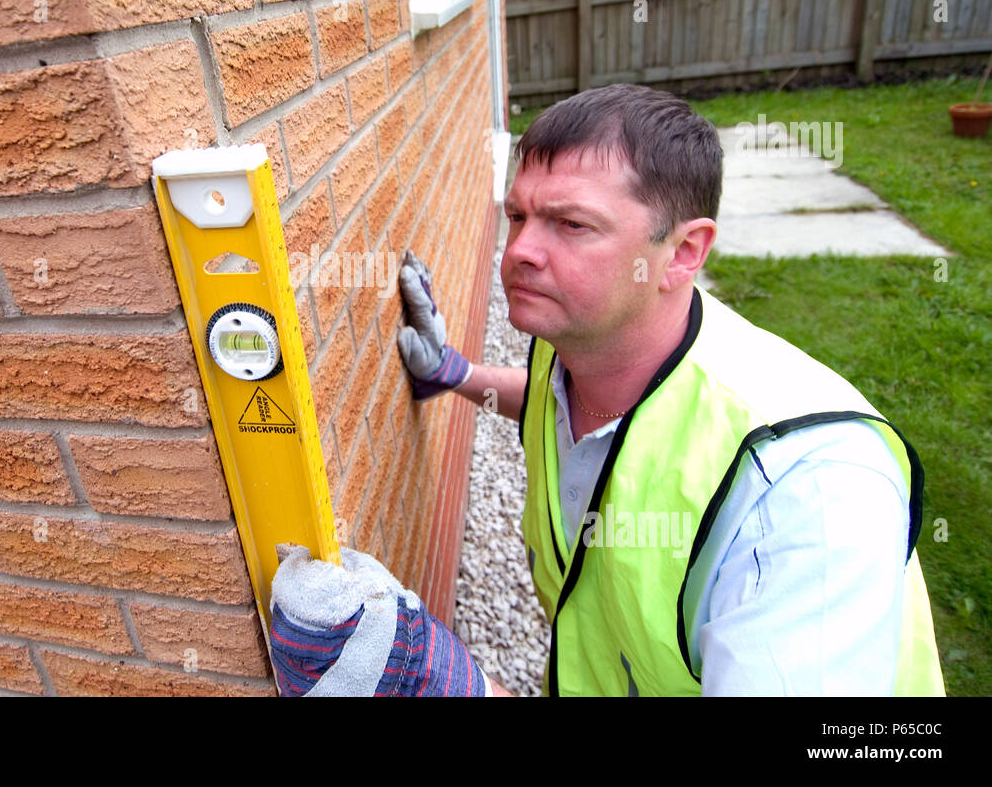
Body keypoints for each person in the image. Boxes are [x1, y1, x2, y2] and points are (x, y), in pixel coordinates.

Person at [268, 83, 945, 697]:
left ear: (682, 253)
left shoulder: (803, 496)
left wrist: (445, 688)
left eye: (571, 224)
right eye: (518, 216)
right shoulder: (579, 338)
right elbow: (552, 404)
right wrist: (457, 375)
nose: (520, 251)